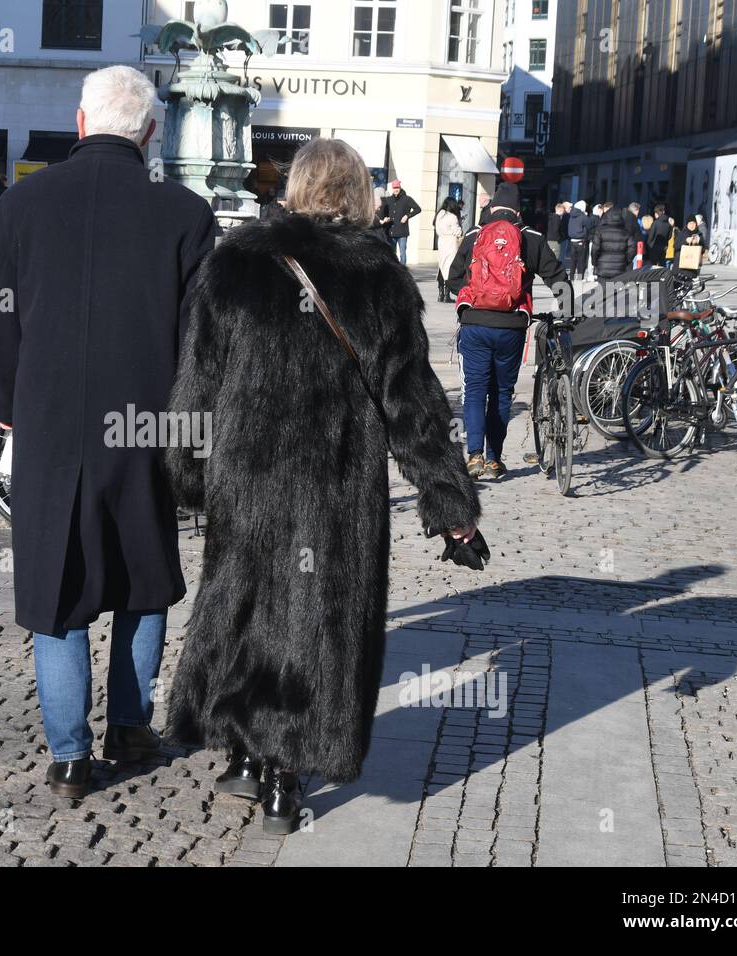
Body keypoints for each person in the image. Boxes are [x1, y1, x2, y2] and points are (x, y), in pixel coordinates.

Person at [164, 138, 485, 834]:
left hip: (247, 477)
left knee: (246, 606)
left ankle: (248, 757)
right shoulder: (378, 275)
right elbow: (413, 404)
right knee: (314, 622)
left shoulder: (237, 261)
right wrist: (448, 499)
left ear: (297, 187)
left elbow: (198, 381)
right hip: (335, 486)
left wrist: (188, 470)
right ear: (361, 196)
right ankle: (281, 778)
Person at [0, 65, 218, 800]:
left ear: (79, 125)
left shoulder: (19, 205)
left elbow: (0, 325)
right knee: (143, 577)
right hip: (146, 420)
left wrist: (12, 406)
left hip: (49, 421)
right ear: (150, 133)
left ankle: (69, 759)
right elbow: (200, 340)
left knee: (57, 585)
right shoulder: (184, 213)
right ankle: (131, 727)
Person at [448, 181, 568, 480]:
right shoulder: (531, 238)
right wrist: (567, 312)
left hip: (474, 324)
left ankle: (474, 455)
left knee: (474, 391)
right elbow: (559, 278)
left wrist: (474, 295)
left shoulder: (475, 236)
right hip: (512, 326)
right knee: (501, 394)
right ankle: (494, 459)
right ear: (517, 210)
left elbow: (451, 280)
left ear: (490, 207)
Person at [378, 179, 421, 264]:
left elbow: (418, 209)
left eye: (397, 187)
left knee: (402, 254)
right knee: (392, 255)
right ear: (392, 189)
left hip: (402, 232)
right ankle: (395, 272)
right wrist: (385, 219)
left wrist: (407, 216)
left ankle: (403, 272)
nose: (396, 189)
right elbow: (384, 211)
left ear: (400, 187)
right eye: (394, 188)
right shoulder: (389, 199)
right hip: (392, 231)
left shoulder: (407, 199)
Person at [591, 206, 638, 280]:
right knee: (616, 290)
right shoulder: (626, 232)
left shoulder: (600, 231)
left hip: (603, 267)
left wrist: (595, 262)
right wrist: (626, 260)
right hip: (620, 267)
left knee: (603, 290)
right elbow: (632, 248)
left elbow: (595, 249)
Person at [435, 197, 464, 302]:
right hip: (451, 243)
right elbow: (457, 232)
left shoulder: (439, 215)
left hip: (441, 241)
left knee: (441, 267)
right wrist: (460, 229)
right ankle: (447, 294)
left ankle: (440, 294)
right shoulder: (453, 217)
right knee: (449, 267)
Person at [567, 199, 590, 279]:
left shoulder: (571, 215)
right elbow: (589, 225)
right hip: (581, 239)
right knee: (581, 260)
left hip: (572, 240)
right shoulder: (583, 216)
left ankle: (572, 276)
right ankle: (580, 277)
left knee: (573, 260)